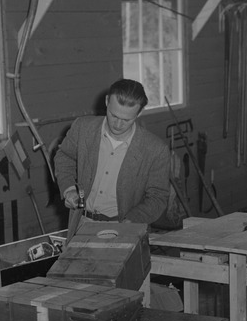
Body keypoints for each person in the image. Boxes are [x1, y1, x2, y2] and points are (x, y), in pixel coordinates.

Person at [54, 78, 171, 223]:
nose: (118, 124)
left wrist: (133, 221)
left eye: (126, 120)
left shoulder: (156, 150)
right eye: (113, 115)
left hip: (124, 225)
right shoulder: (82, 128)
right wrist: (69, 189)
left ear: (139, 113)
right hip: (81, 222)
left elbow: (158, 197)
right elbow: (64, 158)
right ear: (107, 101)